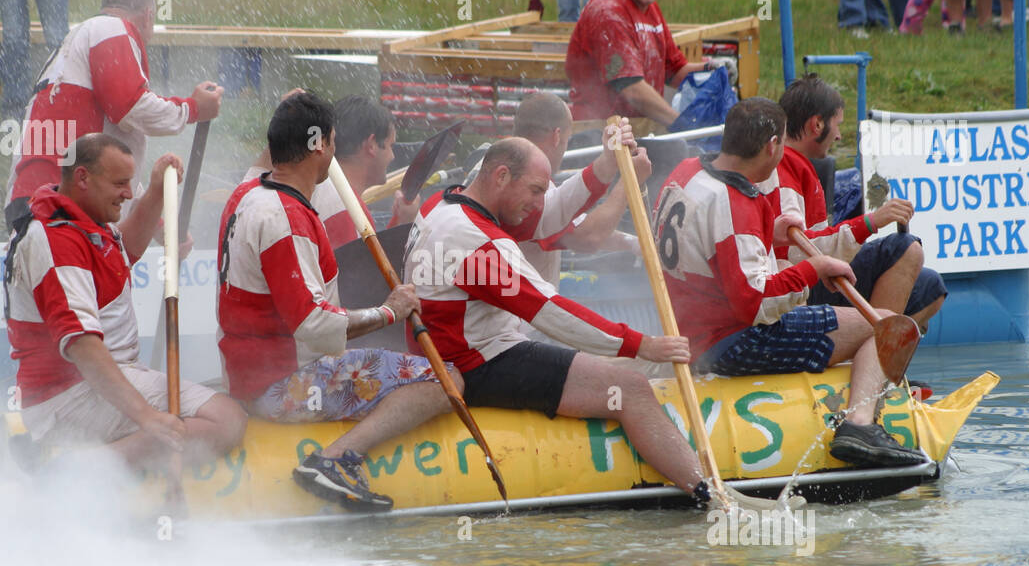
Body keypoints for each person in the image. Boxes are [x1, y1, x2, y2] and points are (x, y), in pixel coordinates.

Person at [405, 131, 714, 505]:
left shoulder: (442, 202)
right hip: (479, 363)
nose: (538, 204)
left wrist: (605, 164)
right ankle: (710, 497)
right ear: (500, 176)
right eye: (535, 190)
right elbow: (553, 312)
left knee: (604, 361)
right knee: (630, 387)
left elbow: (552, 213)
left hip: (457, 351)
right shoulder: (479, 243)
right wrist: (642, 344)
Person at [216, 92, 459, 513]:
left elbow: (266, 157)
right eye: (329, 140)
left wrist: (289, 111)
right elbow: (314, 323)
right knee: (448, 379)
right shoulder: (284, 219)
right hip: (284, 385)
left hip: (249, 373)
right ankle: (334, 461)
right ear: (321, 147)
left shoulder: (246, 191)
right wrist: (391, 311)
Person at [654, 97, 927, 470]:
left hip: (688, 330)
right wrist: (812, 269)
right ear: (771, 146)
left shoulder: (687, 172)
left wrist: (770, 233)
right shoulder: (734, 202)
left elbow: (712, 250)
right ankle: (859, 426)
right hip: (730, 341)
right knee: (883, 326)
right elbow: (754, 303)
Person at [4, 132, 246, 470]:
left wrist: (157, 193)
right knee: (226, 419)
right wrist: (148, 418)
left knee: (210, 407)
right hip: (69, 399)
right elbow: (83, 346)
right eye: (120, 183)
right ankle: (73, 473)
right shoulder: (56, 239)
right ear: (83, 178)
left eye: (131, 183)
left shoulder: (77, 220)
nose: (129, 193)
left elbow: (123, 253)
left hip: (83, 385)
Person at [3, 0, 223, 229]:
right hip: (61, 201)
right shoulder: (111, 28)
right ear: (149, 15)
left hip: (32, 201)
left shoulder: (74, 48)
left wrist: (157, 228)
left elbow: (113, 167)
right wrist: (192, 109)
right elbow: (130, 105)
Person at [775, 75, 947, 331]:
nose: (838, 136)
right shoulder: (785, 167)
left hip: (810, 281)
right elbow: (798, 251)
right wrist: (870, 222)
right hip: (797, 289)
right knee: (907, 249)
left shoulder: (794, 165)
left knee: (930, 287)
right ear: (817, 124)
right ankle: (875, 353)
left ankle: (876, 352)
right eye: (837, 125)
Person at [460, 92, 644, 286]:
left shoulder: (495, 168)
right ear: (557, 136)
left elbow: (575, 229)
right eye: (567, 139)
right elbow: (587, 237)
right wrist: (626, 180)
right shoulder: (520, 190)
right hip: (515, 311)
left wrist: (632, 243)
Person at [564, 0, 710, 126]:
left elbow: (674, 71)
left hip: (634, 128)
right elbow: (630, 88)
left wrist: (711, 70)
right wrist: (680, 124)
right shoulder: (609, 11)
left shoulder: (650, 9)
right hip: (599, 130)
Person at [309, 95, 421, 247]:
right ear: (371, 145)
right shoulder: (345, 211)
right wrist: (405, 226)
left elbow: (368, 261)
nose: (392, 157)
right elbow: (367, 270)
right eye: (390, 146)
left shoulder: (324, 188)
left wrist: (400, 221)